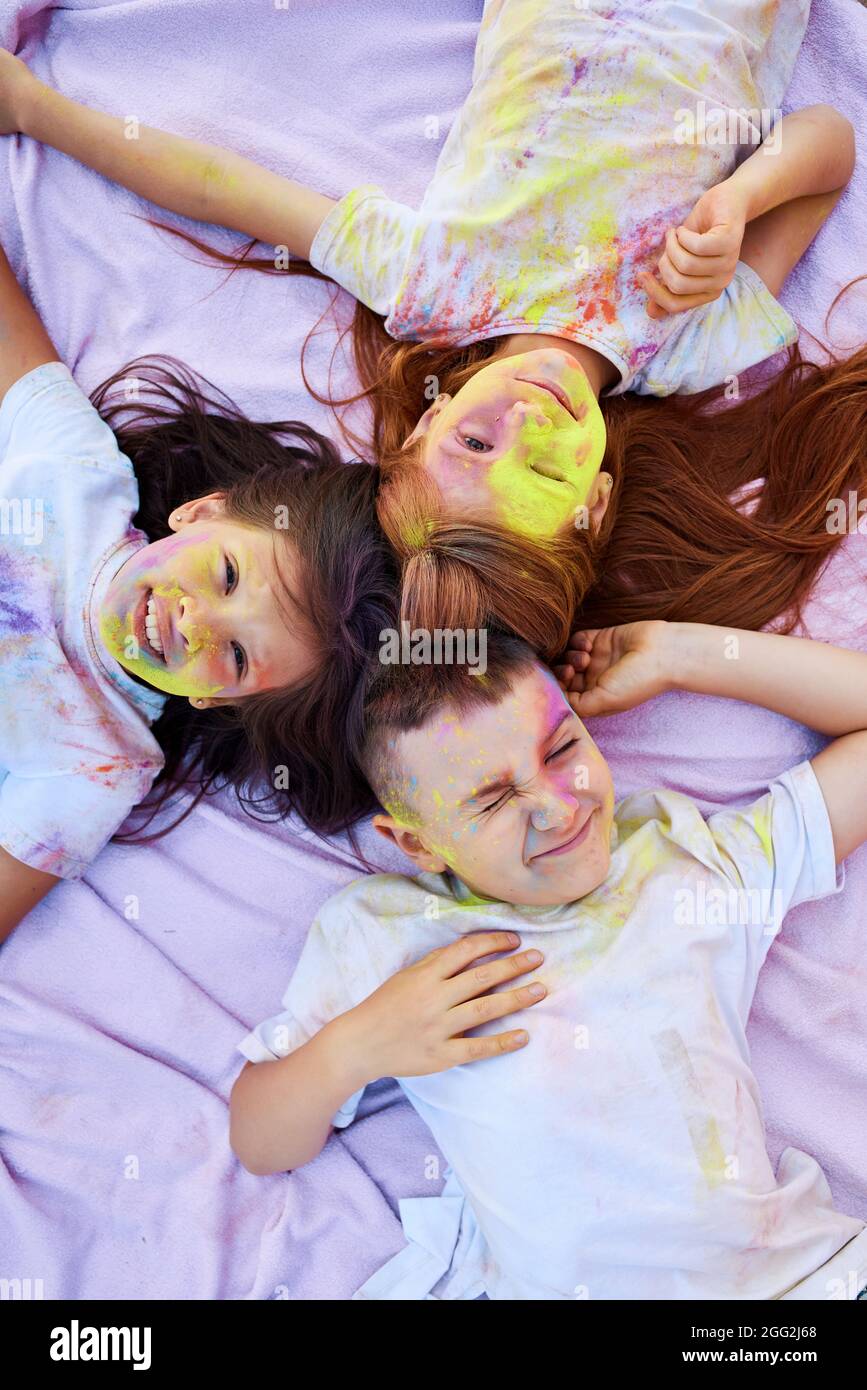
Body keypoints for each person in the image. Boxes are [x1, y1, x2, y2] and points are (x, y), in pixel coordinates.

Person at [229, 622, 867, 1299]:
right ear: (415, 845)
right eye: (494, 798)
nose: (556, 809)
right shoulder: (386, 935)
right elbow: (261, 1143)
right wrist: (352, 1049)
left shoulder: (686, 868)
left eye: (562, 748)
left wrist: (682, 656)